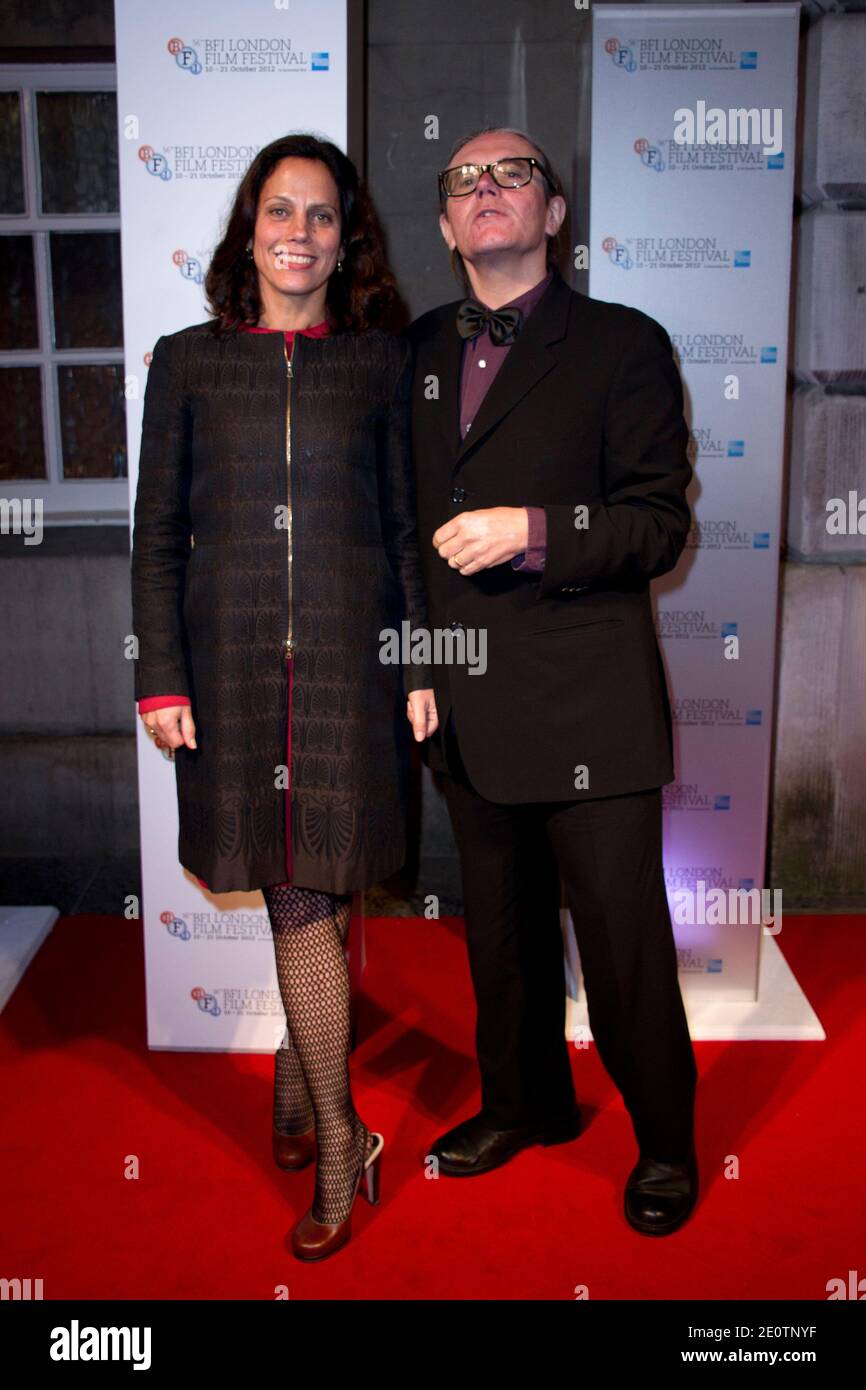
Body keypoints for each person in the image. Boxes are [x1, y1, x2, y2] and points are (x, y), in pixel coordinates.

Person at [131, 134, 437, 1262]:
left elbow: (405, 530)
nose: (297, 233)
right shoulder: (188, 362)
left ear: (343, 235)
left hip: (353, 678)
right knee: (294, 895)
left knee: (321, 887)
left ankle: (309, 1088)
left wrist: (415, 662)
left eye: (319, 215)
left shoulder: (379, 363)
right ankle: (335, 1115)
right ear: (247, 227)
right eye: (278, 210)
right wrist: (158, 671)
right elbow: (156, 535)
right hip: (236, 675)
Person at [405, 126, 699, 1235]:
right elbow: (402, 527)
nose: (485, 190)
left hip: (591, 704)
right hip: (466, 696)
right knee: (502, 936)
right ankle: (526, 1104)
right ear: (445, 225)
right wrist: (419, 659)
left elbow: (655, 526)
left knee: (621, 947)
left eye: (509, 173)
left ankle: (664, 1141)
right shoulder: (420, 349)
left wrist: (532, 530)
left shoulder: (623, 343)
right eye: (463, 181)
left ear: (553, 211)